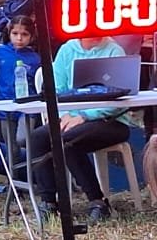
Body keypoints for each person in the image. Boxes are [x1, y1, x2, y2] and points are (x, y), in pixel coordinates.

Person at [28, 34, 130, 223]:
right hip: (70, 117)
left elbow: (120, 100)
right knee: (37, 138)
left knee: (69, 140)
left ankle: (97, 202)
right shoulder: (67, 50)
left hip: (111, 121)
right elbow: (56, 90)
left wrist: (85, 116)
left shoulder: (114, 50)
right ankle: (49, 203)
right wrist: (65, 115)